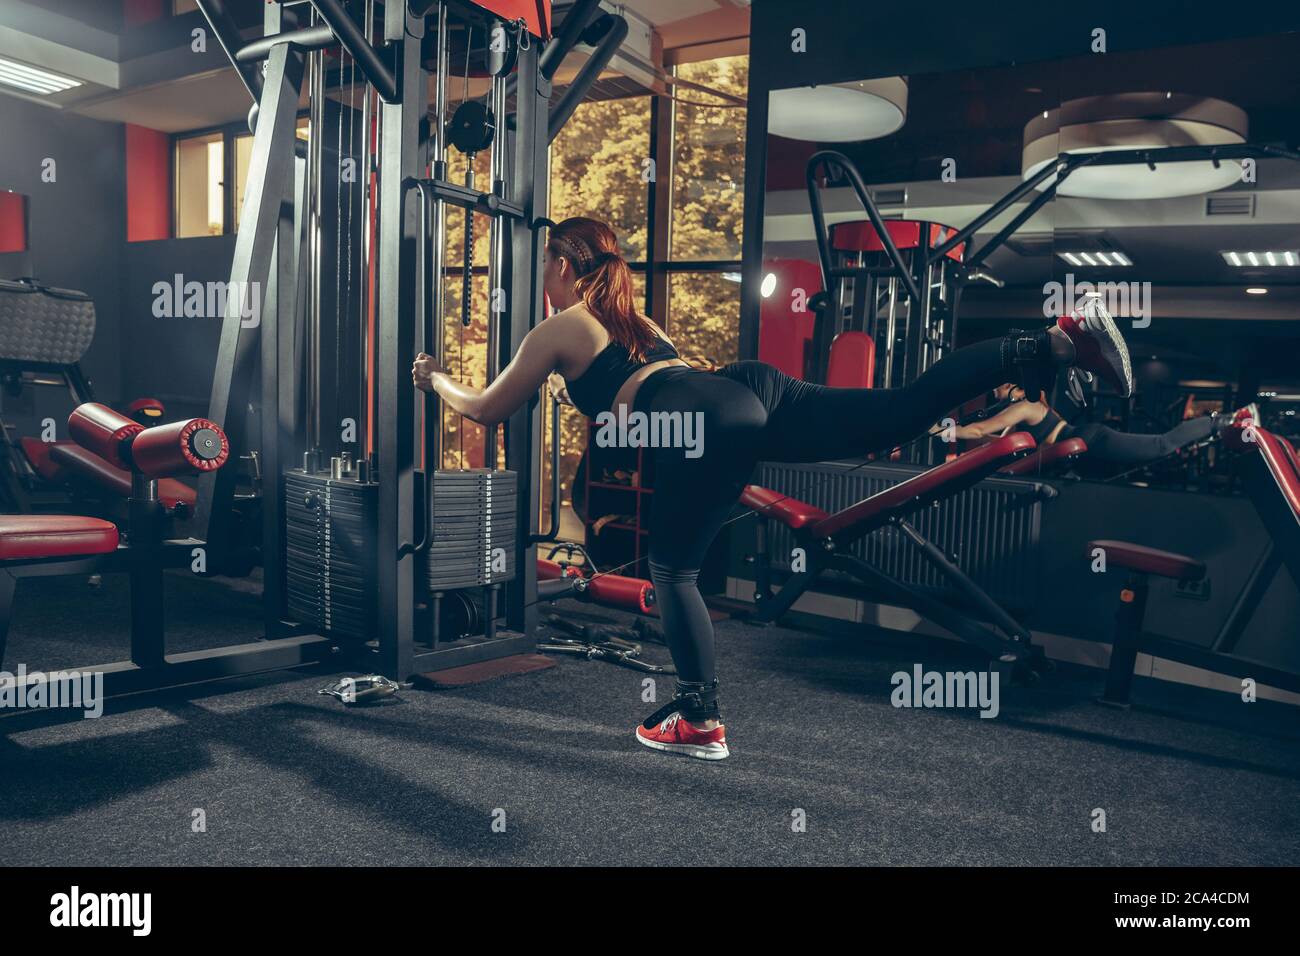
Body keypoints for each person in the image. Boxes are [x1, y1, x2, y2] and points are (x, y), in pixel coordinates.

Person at [413, 216, 1135, 761]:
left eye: (546, 264)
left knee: (672, 570)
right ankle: (1050, 344)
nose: (543, 277)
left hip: (708, 416)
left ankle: (698, 717)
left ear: (567, 265)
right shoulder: (635, 322)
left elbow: (485, 407)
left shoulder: (565, 324)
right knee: (895, 410)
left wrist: (432, 377)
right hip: (748, 390)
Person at [949, 383, 1229, 465]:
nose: (994, 391)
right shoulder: (1024, 409)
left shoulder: (1024, 406)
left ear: (1015, 387)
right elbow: (999, 443)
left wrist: (940, 430)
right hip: (1085, 443)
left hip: (1092, 440)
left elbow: (978, 430)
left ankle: (1222, 421)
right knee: (1161, 450)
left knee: (1161, 445)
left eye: (998, 386)